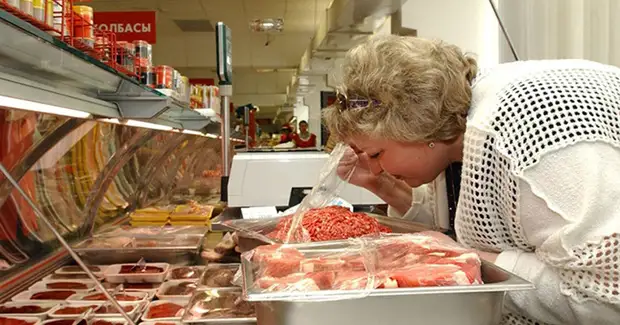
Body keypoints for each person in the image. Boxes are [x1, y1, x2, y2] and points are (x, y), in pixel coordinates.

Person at [323, 35, 620, 325]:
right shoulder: (452, 134)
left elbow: (603, 300)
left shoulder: (526, 132)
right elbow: (474, 222)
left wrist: (464, 259)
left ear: (413, 127)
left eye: (376, 154)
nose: (375, 168)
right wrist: (383, 186)